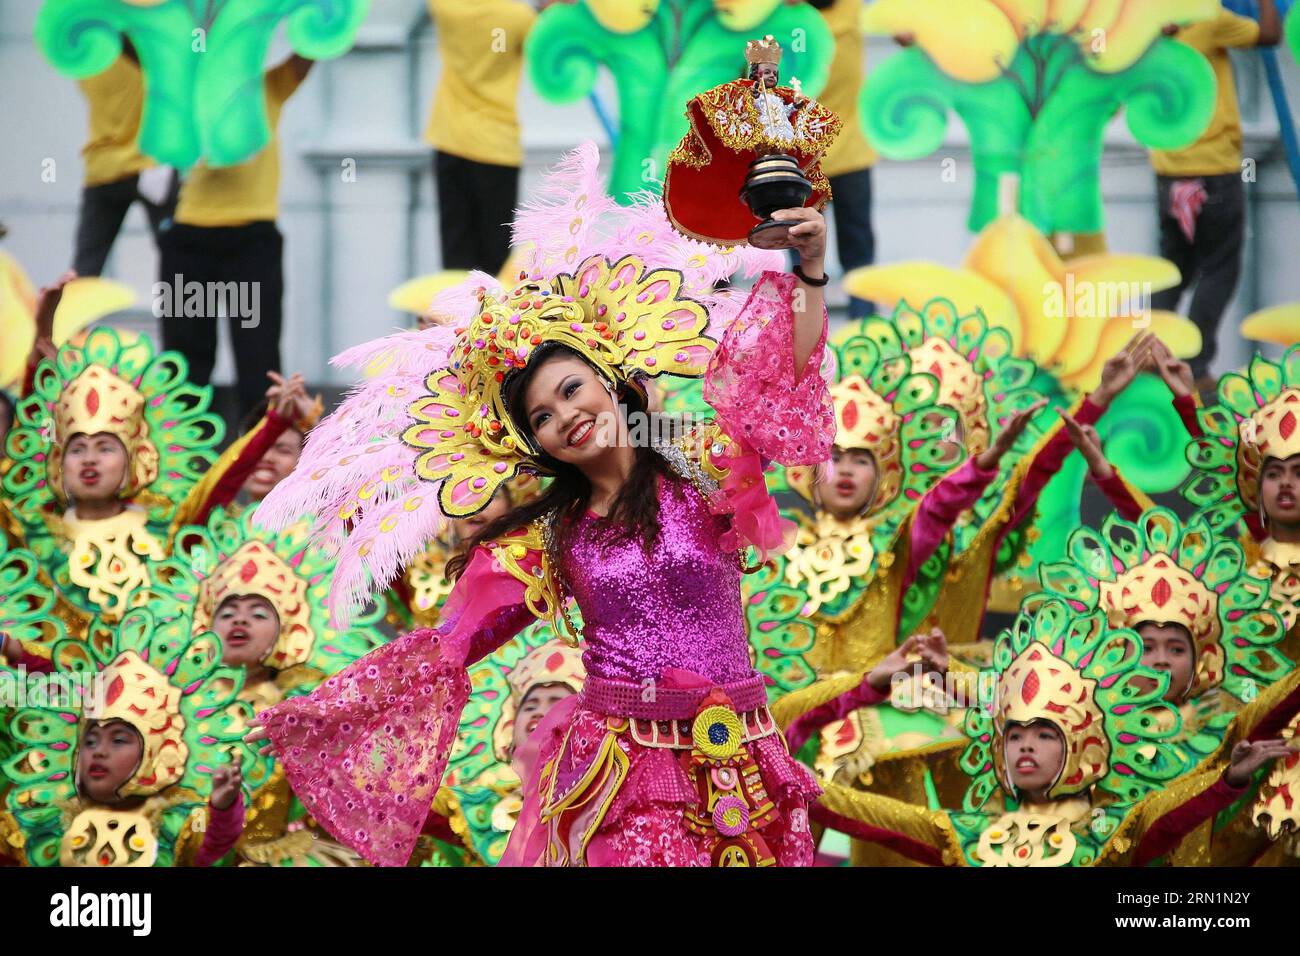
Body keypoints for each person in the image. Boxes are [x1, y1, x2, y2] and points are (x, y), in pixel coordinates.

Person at [247, 142, 829, 867]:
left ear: (610, 379)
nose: (565, 416)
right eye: (543, 418)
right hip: (629, 786)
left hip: (744, 763)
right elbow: (443, 650)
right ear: (537, 445)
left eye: (570, 389)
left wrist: (808, 271)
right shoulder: (549, 541)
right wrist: (313, 715)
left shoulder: (705, 465)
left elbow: (785, 384)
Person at [0, 611, 263, 866]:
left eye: (118, 740)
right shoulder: (45, 822)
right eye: (91, 741)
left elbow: (211, 845)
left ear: (158, 751)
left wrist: (224, 807)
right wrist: (13, 650)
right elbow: (63, 683)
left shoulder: (176, 828)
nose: (99, 751)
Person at [158, 55, 313, 420]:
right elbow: (143, 48)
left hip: (252, 241)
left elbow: (311, 47)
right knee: (183, 369)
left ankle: (263, 465)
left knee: (259, 364)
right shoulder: (182, 85)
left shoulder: (265, 84)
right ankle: (183, 468)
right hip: (188, 239)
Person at [1149, 1, 1282, 388]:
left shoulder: (1145, 29)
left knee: (1174, 270)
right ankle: (1194, 363)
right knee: (1219, 268)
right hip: (1214, 169)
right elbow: (1269, 36)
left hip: (1170, 174)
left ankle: (1154, 354)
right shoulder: (1208, 18)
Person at [426, 0, 542, 275]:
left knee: (455, 259)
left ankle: (457, 317)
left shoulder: (445, 8)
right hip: (496, 146)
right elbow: (545, 48)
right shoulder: (518, 17)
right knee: (496, 261)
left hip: (449, 139)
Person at [71, 39, 177, 277]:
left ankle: (69, 313)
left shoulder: (85, 50)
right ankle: (185, 312)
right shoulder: (146, 35)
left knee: (85, 268)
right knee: (178, 260)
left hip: (103, 167)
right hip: (152, 166)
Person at [808, 0, 877, 317]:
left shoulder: (789, 16)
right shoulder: (786, 16)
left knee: (812, 251)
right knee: (852, 246)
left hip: (831, 157)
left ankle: (858, 323)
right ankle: (859, 322)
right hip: (811, 159)